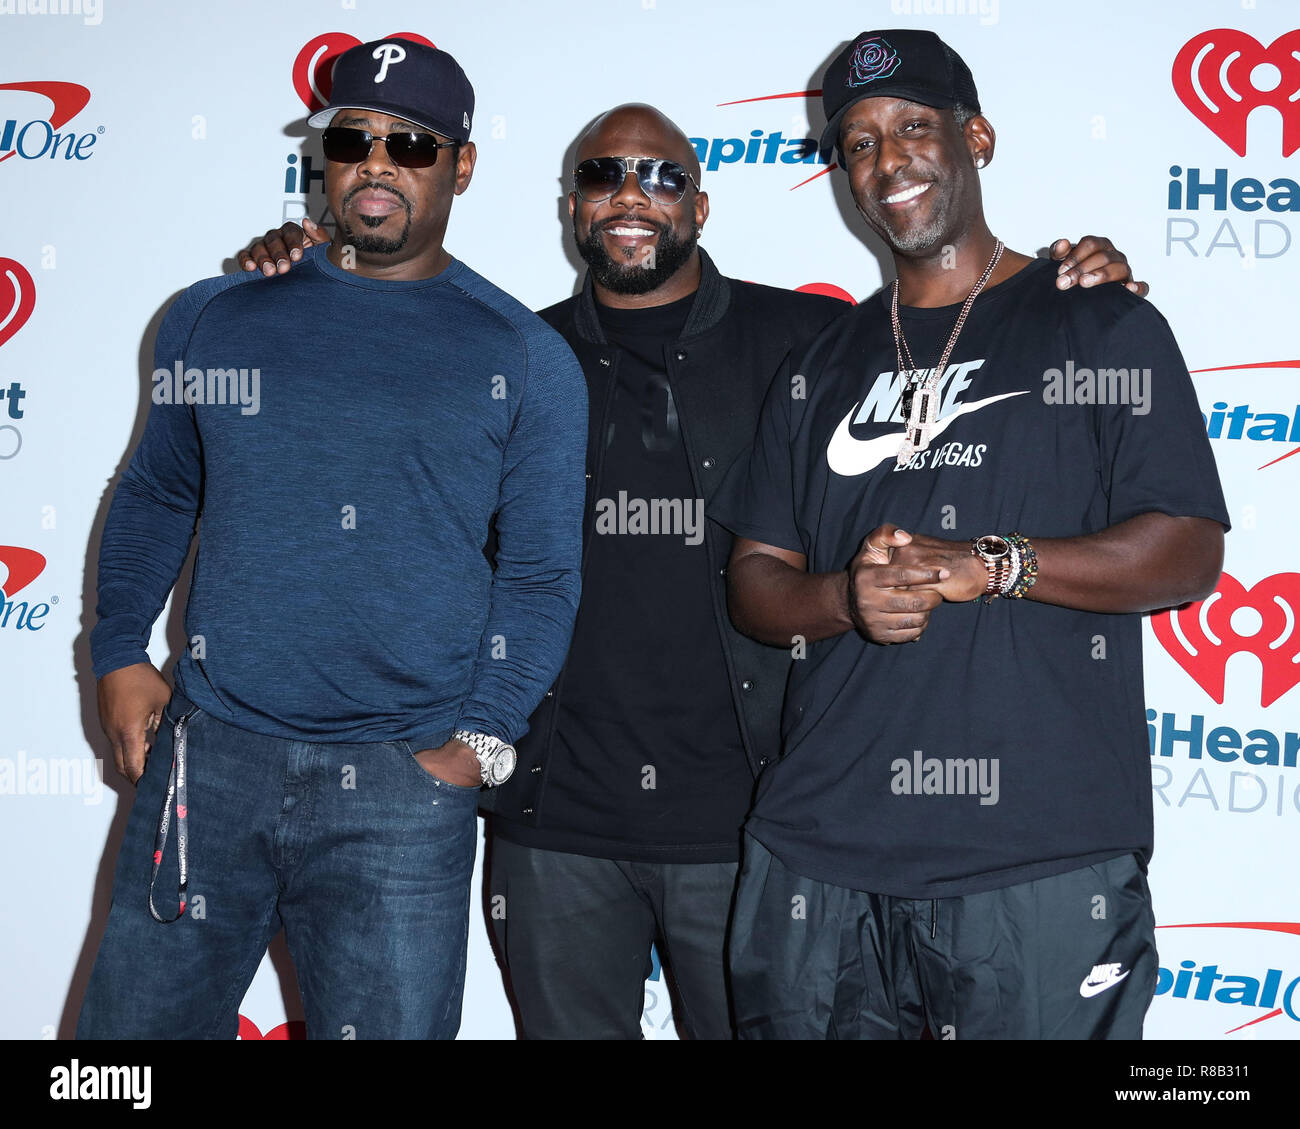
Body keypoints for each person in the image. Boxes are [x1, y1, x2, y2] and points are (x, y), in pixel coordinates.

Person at [240, 102, 1146, 1040]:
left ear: (701, 206)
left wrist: (1071, 286)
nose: (632, 196)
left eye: (663, 176)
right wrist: (307, 271)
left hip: (755, 826)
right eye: (602, 176)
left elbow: (962, 330)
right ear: (571, 208)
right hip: (553, 826)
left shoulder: (816, 343)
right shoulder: (509, 353)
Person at [708, 28, 1228, 1040]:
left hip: (1037, 863)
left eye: (911, 125)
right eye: (855, 141)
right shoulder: (819, 363)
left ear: (975, 137)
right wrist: (843, 599)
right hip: (815, 856)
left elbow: (1186, 550)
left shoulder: (1098, 322)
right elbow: (755, 581)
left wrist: (993, 564)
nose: (885, 160)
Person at [78, 38, 586, 1040]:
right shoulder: (213, 317)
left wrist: (477, 740)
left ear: (463, 166)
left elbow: (539, 573)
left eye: (414, 145)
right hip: (208, 759)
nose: (379, 163)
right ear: (325, 153)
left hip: (400, 788)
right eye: (355, 138)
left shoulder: (523, 355)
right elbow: (157, 490)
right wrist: (115, 651)